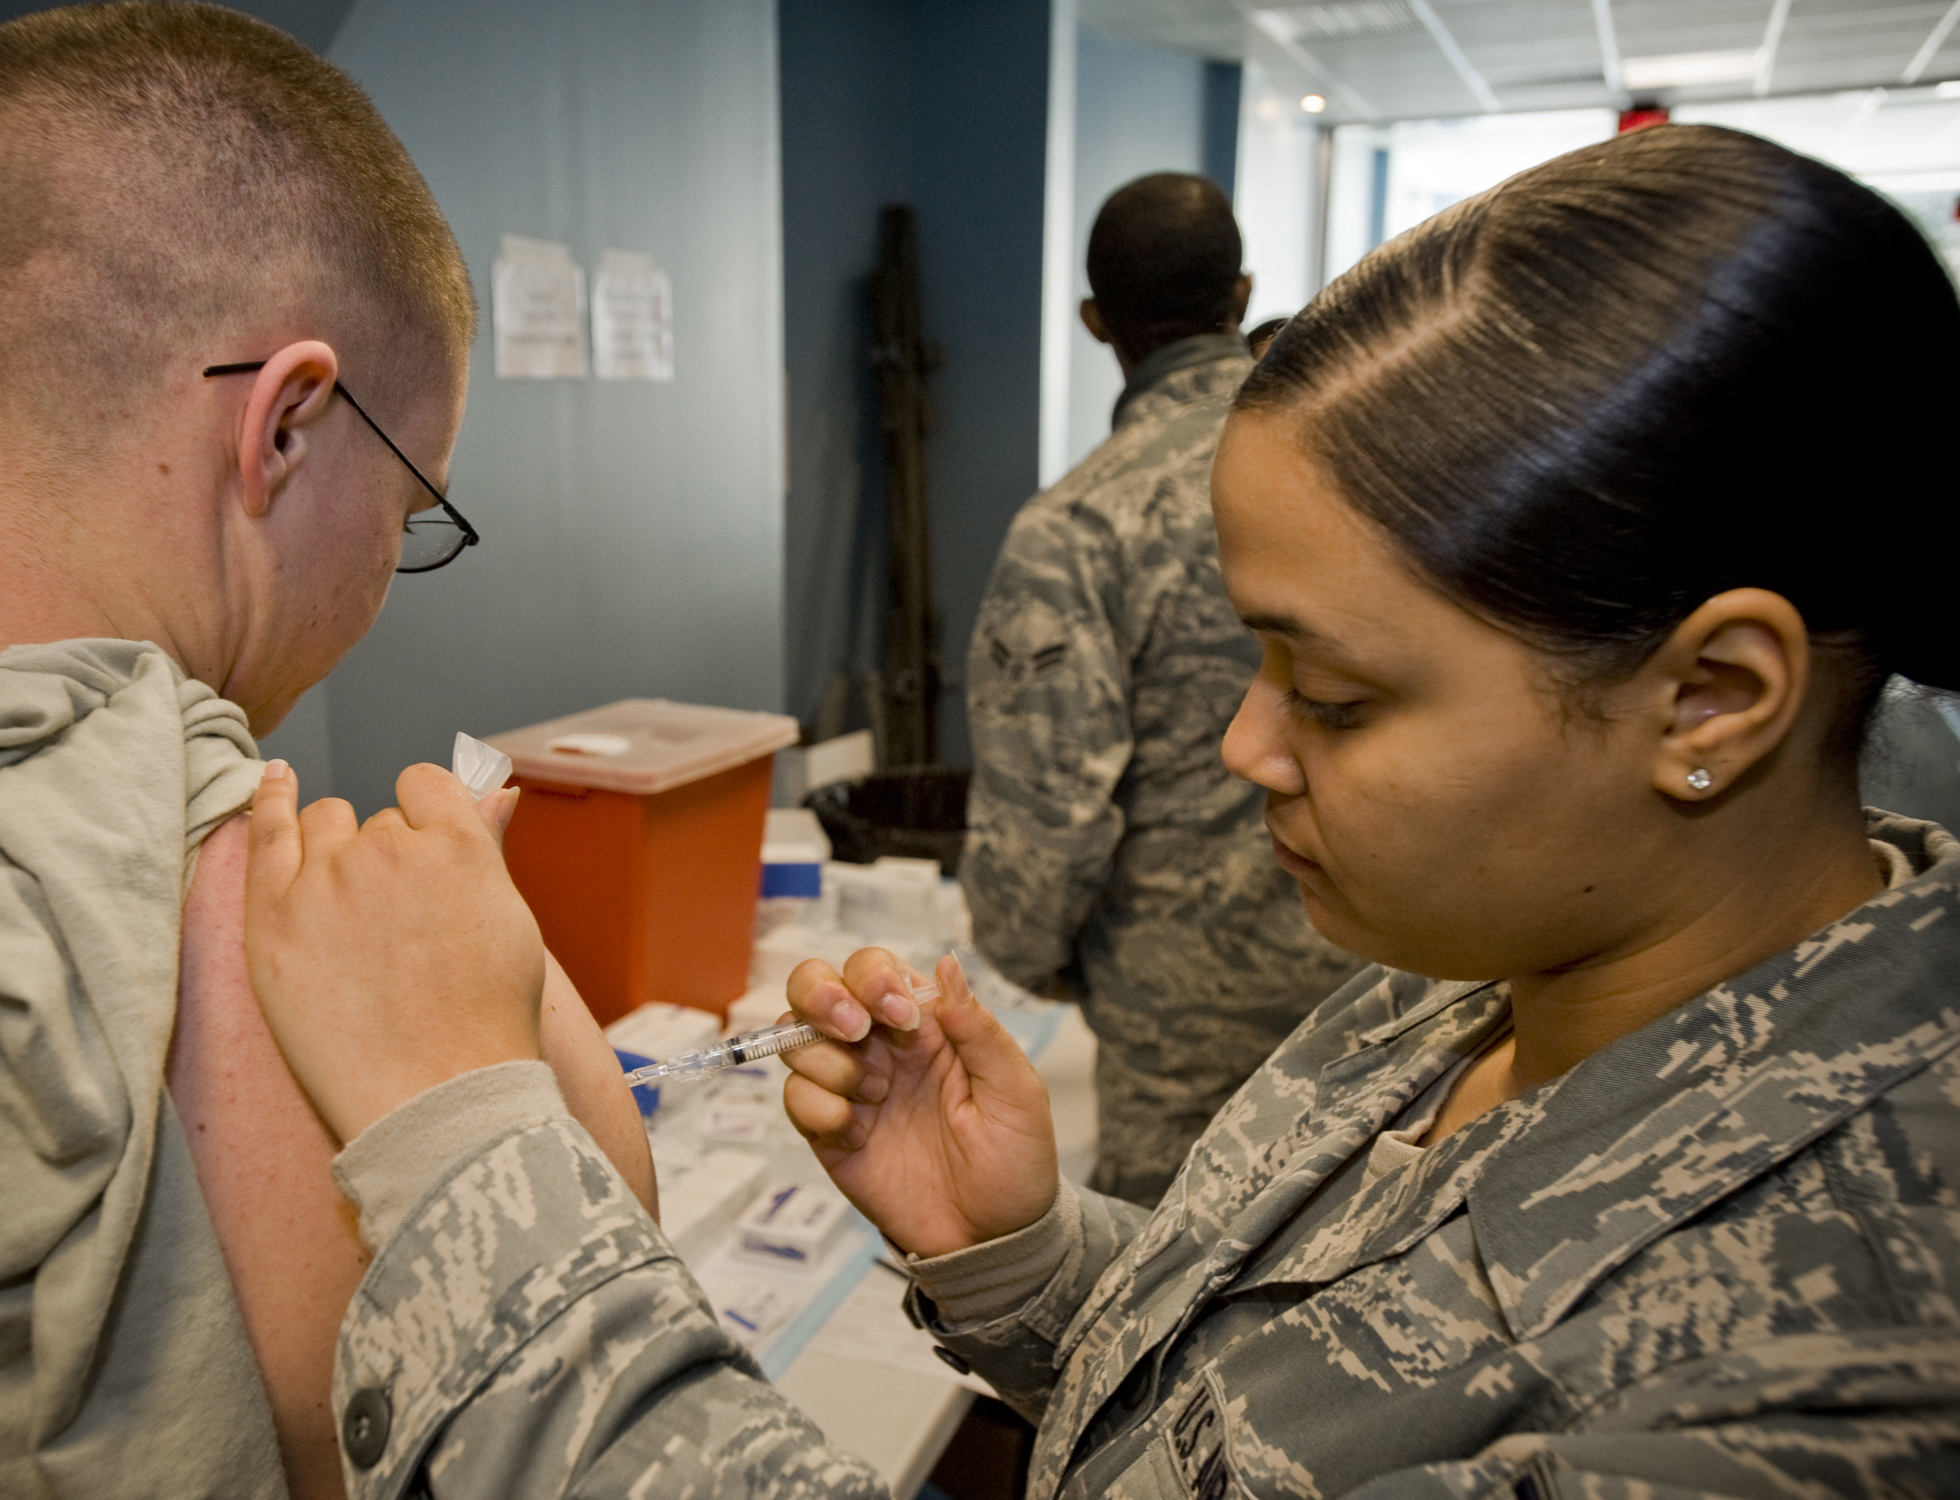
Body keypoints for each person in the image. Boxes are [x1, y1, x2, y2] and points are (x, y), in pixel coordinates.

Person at [242, 124, 1960, 1497]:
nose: (1243, 748)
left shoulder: (1828, 1388)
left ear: (1712, 699)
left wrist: (455, 1130)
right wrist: (1032, 1268)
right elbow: (1308, 1389)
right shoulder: (1488, 980)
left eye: (1338, 697)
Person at [0, 8, 650, 1499]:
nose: (380, 581)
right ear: (284, 423)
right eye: (411, 513)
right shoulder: (224, 905)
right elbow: (587, 1406)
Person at [962, 171, 1357, 1205]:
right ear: (1241, 298)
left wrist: (1027, 953)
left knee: (1162, 1313)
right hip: (1379, 969)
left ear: (1096, 322)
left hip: (1178, 1022)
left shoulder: (1079, 526)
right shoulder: (1369, 471)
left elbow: (1049, 812)